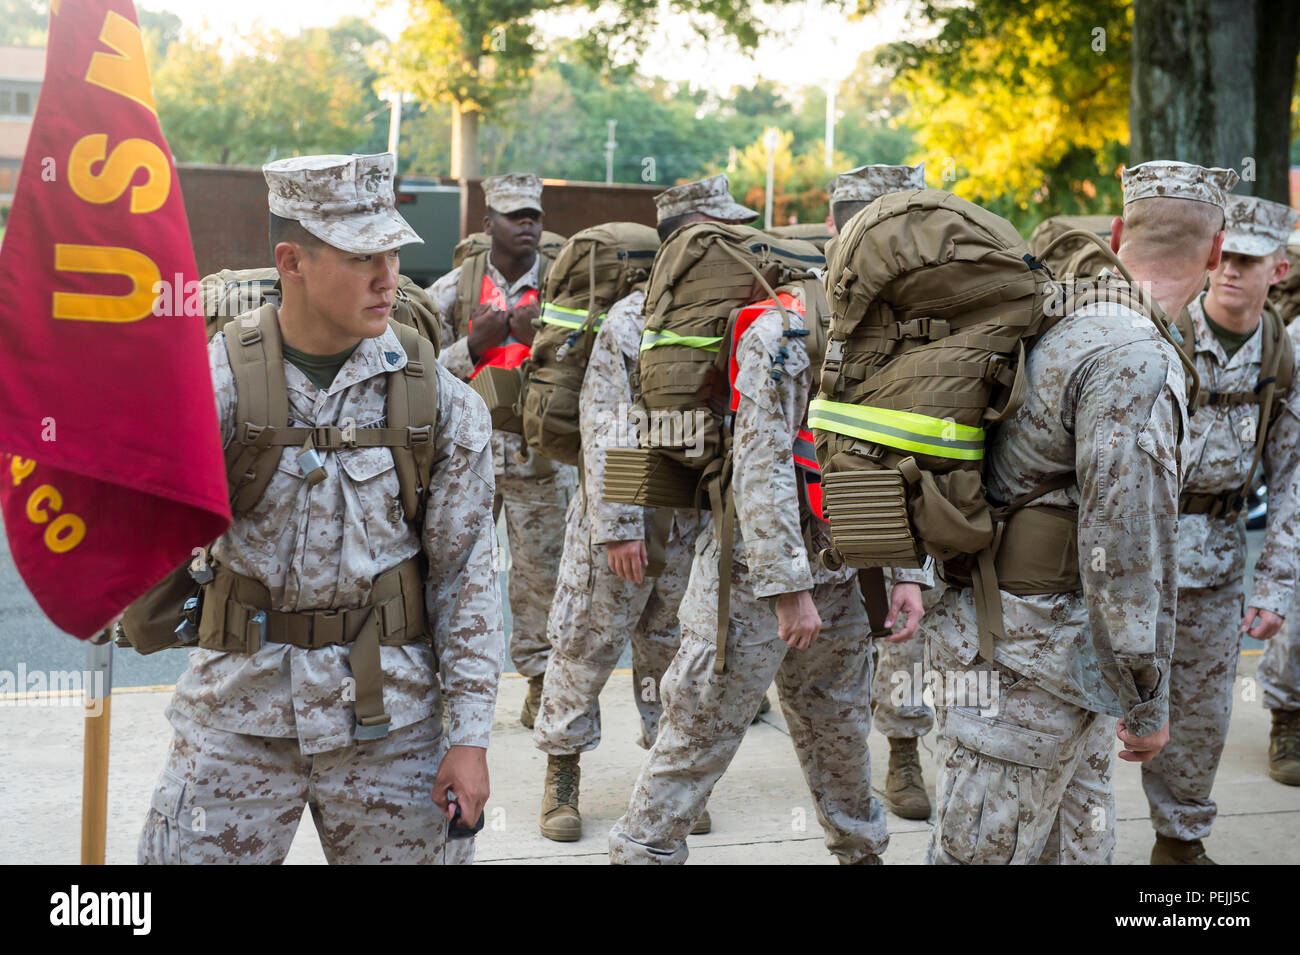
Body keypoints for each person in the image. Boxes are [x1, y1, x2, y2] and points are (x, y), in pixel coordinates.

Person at [137, 153, 504, 864]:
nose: (387, 275)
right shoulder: (210, 387)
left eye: (392, 251)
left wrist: (469, 739)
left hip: (393, 730)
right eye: (361, 254)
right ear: (292, 260)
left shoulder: (441, 403)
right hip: (237, 719)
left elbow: (466, 582)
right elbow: (129, 528)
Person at [608, 175, 927, 865]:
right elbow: (761, 465)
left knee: (840, 735)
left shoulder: (889, 329)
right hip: (754, 579)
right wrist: (788, 587)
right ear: (848, 234)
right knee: (697, 736)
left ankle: (862, 854)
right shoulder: (781, 326)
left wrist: (903, 570)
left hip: (845, 568)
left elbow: (890, 457)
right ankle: (641, 852)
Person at [924, 160, 1236, 864]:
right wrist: (1149, 698)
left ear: (1120, 231)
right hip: (1033, 667)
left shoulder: (1065, 315)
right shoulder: (1136, 355)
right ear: (1216, 254)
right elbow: (1128, 546)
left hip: (1025, 651)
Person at [533, 182, 762, 842]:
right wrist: (619, 527)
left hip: (693, 521)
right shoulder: (635, 319)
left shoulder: (734, 316)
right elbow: (605, 424)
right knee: (585, 642)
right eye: (727, 231)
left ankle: (664, 778)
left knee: (673, 649)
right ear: (692, 235)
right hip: (626, 512)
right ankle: (562, 771)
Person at [1143, 193, 1300, 862]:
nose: (1231, 270)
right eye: (1225, 256)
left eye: (1249, 260)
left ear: (1280, 269)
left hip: (1217, 556)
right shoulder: (1161, 331)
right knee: (1095, 702)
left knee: (1203, 713)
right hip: (1137, 553)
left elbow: (1293, 477)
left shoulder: (1281, 354)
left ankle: (1178, 843)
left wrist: (1275, 587)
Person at [428, 173, 575, 728]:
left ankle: (539, 684)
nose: (527, 224)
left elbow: (595, 371)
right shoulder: (452, 290)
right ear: (488, 224)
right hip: (469, 457)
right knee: (457, 571)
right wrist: (473, 346)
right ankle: (448, 690)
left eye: (534, 215)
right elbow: (420, 376)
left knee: (543, 576)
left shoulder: (564, 290)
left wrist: (547, 339)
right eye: (514, 216)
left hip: (543, 457)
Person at [828, 162, 939, 821]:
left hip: (897, 488)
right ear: (834, 222)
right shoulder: (798, 302)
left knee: (905, 628)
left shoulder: (924, 306)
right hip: (812, 497)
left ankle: (903, 750)